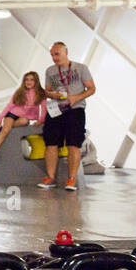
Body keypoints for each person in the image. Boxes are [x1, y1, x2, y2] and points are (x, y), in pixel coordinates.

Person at [40, 41, 95, 191]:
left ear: (66, 52)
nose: (54, 57)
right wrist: (53, 94)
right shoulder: (50, 71)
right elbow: (47, 91)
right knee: (50, 143)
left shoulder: (81, 68)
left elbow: (91, 89)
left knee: (73, 144)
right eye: (52, 55)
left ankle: (71, 179)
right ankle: (50, 177)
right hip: (56, 109)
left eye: (57, 54)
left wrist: (75, 98)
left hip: (75, 109)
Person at [0, 71, 47, 162]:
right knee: (5, 131)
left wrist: (41, 120)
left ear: (36, 81)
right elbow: (9, 105)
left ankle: (4, 127)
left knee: (24, 122)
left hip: (24, 117)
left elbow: (44, 108)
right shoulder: (20, 91)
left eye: (32, 80)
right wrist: (0, 119)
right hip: (12, 113)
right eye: (26, 80)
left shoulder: (41, 93)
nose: (28, 82)